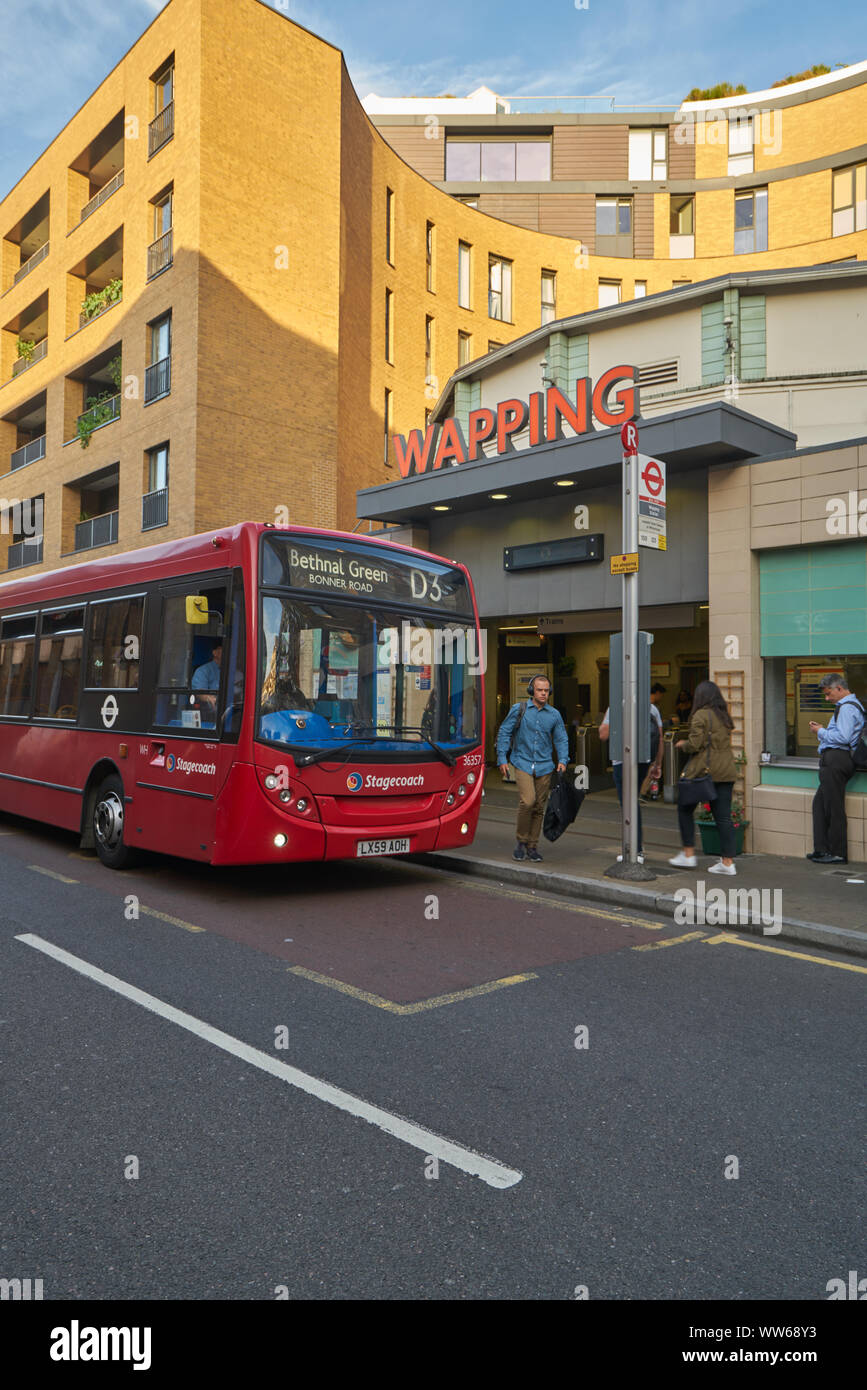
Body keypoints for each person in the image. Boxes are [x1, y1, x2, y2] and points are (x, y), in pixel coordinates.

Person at [668, 680, 739, 875]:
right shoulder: (723, 715)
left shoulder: (701, 715)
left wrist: (682, 744)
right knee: (723, 817)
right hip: (726, 771)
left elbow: (696, 744)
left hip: (705, 773)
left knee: (684, 808)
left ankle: (689, 854)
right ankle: (727, 862)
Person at [497, 675, 568, 863]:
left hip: (545, 766)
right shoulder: (518, 710)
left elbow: (561, 738)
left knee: (538, 807)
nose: (543, 693)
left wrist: (563, 759)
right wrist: (501, 757)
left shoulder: (554, 715)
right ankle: (521, 841)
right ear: (532, 691)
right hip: (522, 762)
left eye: (546, 691)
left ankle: (532, 846)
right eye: (539, 690)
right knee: (528, 801)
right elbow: (504, 731)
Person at [807, 673, 865, 864]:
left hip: (837, 760)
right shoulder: (846, 707)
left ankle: (838, 853)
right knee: (820, 804)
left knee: (834, 807)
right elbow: (842, 734)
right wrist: (823, 731)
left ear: (839, 689)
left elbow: (844, 738)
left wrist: (820, 732)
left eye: (828, 693)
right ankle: (822, 849)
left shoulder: (847, 708)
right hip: (834, 759)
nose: (827, 698)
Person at [599, 697, 663, 862]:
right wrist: (658, 764)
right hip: (644, 760)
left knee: (628, 804)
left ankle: (635, 850)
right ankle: (636, 847)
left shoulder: (616, 706)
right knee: (633, 801)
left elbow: (603, 734)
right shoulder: (652, 708)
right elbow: (659, 738)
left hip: (622, 761)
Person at [640, 684, 666, 802]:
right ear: (657, 693)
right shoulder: (653, 709)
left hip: (636, 744)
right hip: (650, 744)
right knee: (651, 767)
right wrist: (659, 759)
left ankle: (636, 792)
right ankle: (643, 793)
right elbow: (660, 734)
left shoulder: (635, 706)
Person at [192, 640, 222, 717]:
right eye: (223, 649)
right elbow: (200, 692)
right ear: (215, 653)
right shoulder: (203, 671)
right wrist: (209, 698)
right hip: (211, 715)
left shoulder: (236, 673)